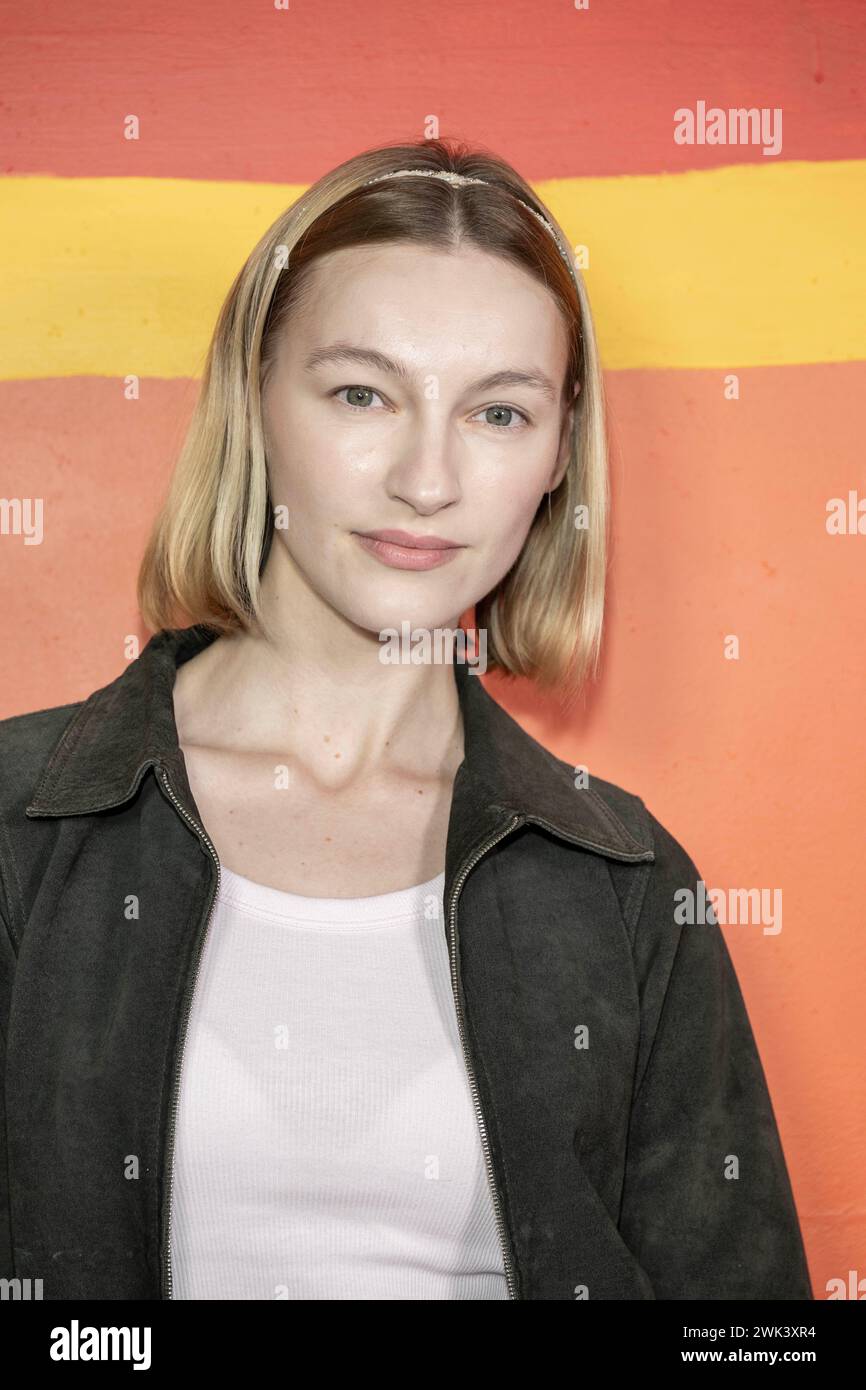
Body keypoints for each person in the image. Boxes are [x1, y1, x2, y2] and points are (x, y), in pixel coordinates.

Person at [0, 138, 812, 1301]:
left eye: (496, 413)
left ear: (553, 458)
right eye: (361, 393)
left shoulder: (623, 879)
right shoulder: (20, 826)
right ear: (255, 398)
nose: (426, 480)